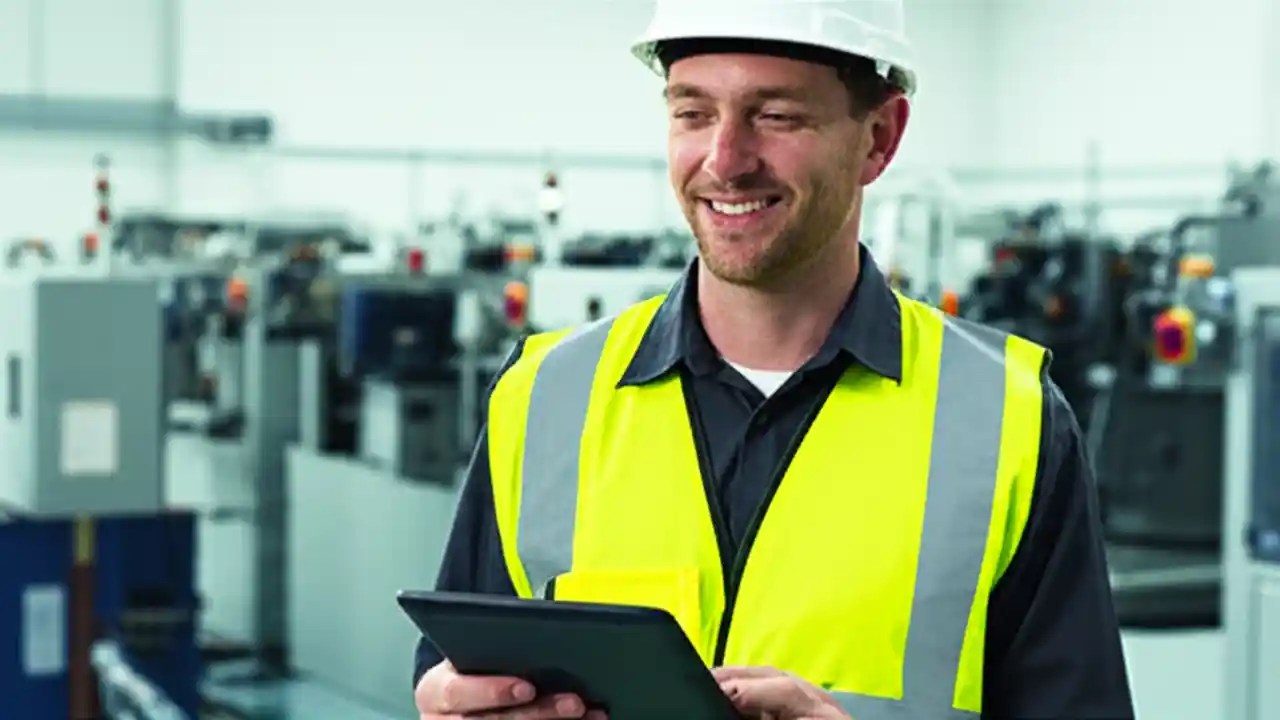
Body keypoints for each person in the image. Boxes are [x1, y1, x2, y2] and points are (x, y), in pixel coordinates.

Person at [413, 1, 1136, 718]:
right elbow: (464, 679)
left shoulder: (1006, 419)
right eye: (693, 113)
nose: (725, 161)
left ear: (879, 137)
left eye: (777, 116)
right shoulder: (544, 396)